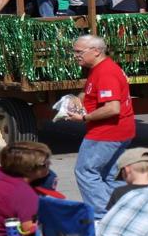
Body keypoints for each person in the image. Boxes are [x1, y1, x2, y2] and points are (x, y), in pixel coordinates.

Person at [54, 34, 136, 217]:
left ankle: (101, 216)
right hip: (119, 131)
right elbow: (89, 91)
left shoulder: (106, 72)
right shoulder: (98, 68)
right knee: (110, 174)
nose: (75, 55)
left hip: (106, 133)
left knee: (86, 172)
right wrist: (77, 99)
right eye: (74, 51)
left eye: (79, 52)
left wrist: (85, 118)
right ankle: (122, 212)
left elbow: (112, 108)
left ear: (96, 51)